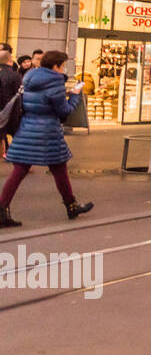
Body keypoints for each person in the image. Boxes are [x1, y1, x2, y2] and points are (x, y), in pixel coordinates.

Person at [0, 51, 94, 227]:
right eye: (63, 65)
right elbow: (63, 111)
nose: (63, 69)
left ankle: (2, 210)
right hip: (48, 132)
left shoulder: (29, 77)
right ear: (56, 66)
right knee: (59, 169)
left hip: (27, 128)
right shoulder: (55, 81)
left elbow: (36, 101)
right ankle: (71, 206)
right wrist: (74, 95)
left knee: (19, 170)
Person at [0, 49, 21, 154]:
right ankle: (15, 154)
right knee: (15, 133)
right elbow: (18, 94)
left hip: (1, 109)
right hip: (11, 109)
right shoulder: (15, 75)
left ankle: (5, 151)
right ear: (10, 61)